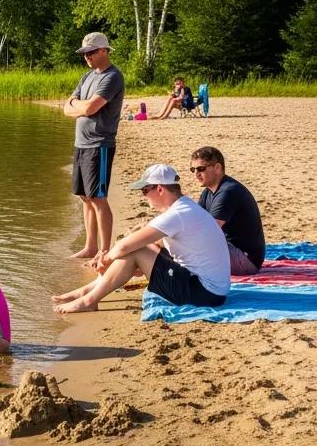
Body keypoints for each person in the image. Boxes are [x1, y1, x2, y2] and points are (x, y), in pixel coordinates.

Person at [52, 164, 230, 314]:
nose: (143, 196)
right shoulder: (184, 207)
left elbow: (125, 246)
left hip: (204, 294)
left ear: (160, 189)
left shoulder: (177, 214)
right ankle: (86, 291)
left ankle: (89, 301)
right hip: (209, 288)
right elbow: (152, 244)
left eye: (145, 190)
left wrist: (105, 260)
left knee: (134, 251)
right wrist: (132, 265)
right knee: (139, 250)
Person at [63, 32, 125, 260]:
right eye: (84, 53)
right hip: (81, 143)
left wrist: (78, 105)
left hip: (100, 144)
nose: (87, 56)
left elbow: (89, 108)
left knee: (98, 197)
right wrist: (80, 105)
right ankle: (90, 246)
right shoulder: (87, 77)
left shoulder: (113, 77)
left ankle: (104, 250)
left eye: (91, 52)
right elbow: (66, 108)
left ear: (104, 51)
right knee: (84, 197)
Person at [191, 146, 265, 274]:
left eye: (201, 169)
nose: (196, 174)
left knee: (187, 245)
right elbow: (195, 222)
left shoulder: (228, 192)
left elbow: (207, 231)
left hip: (246, 260)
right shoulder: (208, 192)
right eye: (193, 170)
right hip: (230, 250)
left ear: (217, 168)